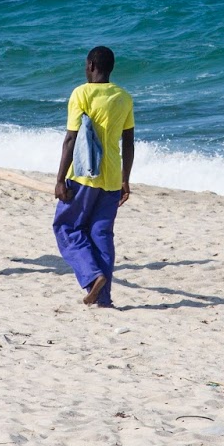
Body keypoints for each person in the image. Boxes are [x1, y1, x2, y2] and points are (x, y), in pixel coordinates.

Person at [52, 46, 135, 308]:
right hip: (111, 178)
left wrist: (60, 179)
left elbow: (71, 138)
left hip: (84, 175)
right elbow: (129, 142)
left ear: (91, 65)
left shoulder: (82, 93)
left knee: (66, 227)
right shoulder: (124, 97)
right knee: (101, 234)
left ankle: (91, 275)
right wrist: (125, 179)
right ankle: (104, 298)